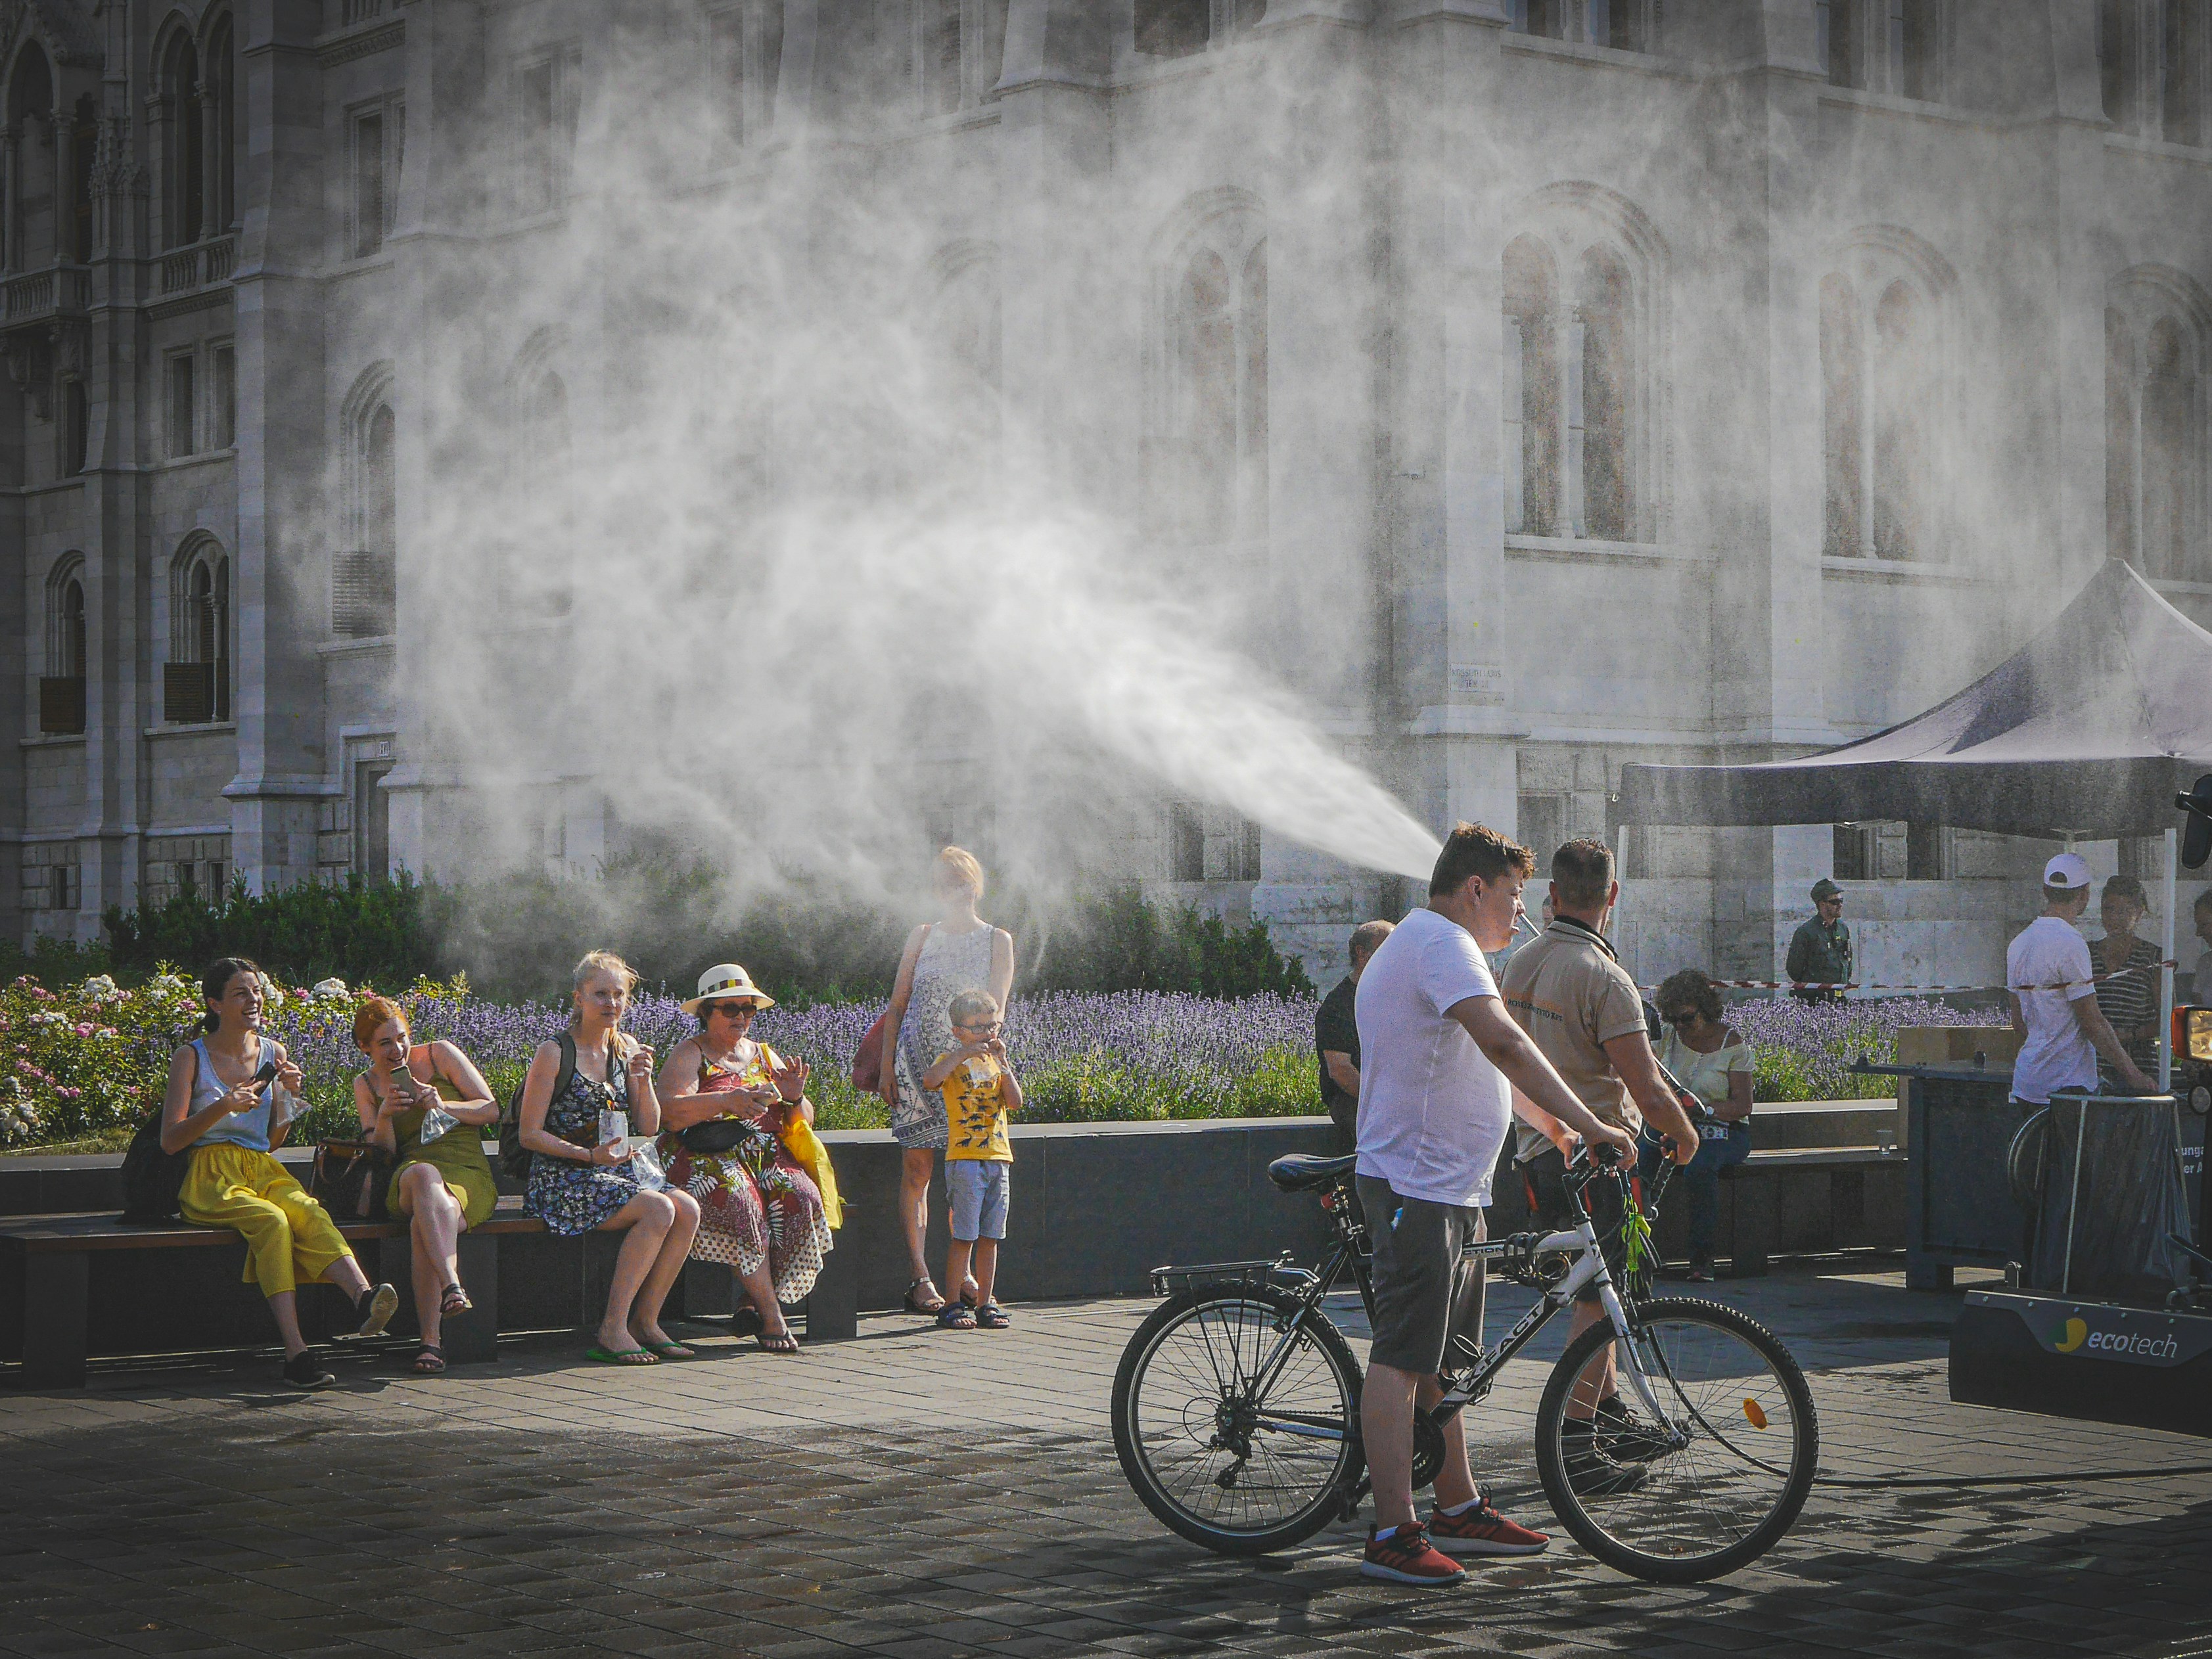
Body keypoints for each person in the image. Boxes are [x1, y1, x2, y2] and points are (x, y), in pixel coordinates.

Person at [1351, 823, 1640, 1587]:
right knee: (1402, 1356)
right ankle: (1392, 1529)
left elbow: (1484, 1063)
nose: (1522, 913)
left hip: (1447, 1183)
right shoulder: (1443, 942)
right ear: (1476, 888)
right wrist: (1592, 1121)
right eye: (1514, 896)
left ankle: (1457, 1507)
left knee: (1444, 1362)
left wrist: (1550, 1124)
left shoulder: (1432, 942)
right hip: (1418, 1182)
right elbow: (1505, 1042)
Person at [1500, 838, 1700, 1495]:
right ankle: (1578, 1444)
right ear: (1612, 895)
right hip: (1596, 1162)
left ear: (1553, 893)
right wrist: (1685, 1133)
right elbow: (1645, 1087)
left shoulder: (1519, 963)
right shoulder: (1605, 977)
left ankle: (1607, 1413)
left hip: (1537, 1150)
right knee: (1597, 1300)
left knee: (1596, 1291)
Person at [162, 957, 398, 1390]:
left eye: (256, 990)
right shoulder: (190, 1056)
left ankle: (364, 1299)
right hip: (209, 1173)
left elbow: (272, 1140)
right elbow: (171, 1140)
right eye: (241, 993)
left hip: (260, 1165)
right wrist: (222, 1105)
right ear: (215, 1003)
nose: (254, 999)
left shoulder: (273, 1052)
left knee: (306, 1210)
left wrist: (289, 1095)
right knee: (271, 1221)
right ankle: (296, 1353)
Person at [518, 951, 703, 1364]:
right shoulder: (554, 1052)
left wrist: (643, 1079)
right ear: (579, 998)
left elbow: (651, 1125)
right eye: (600, 994)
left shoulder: (626, 1049)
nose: (611, 1004)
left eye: (618, 995)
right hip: (562, 1176)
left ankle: (648, 1322)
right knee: (658, 1209)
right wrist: (587, 1155)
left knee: (687, 1208)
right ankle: (612, 1327)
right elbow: (529, 1135)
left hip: (614, 1171)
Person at [656, 964, 833, 1355]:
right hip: (706, 1155)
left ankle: (753, 1299)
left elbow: (802, 1120)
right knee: (741, 1202)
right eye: (730, 1008)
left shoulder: (765, 1053)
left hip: (764, 1152)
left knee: (800, 1196)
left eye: (748, 1009)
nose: (741, 1017)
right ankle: (771, 1316)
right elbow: (667, 1114)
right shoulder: (691, 1052)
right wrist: (724, 1101)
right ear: (706, 1011)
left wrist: (795, 1097)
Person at [877, 846, 1015, 1316]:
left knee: (966, 1175)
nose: (956, 891)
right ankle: (921, 1277)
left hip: (970, 1078)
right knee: (917, 1172)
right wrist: (885, 1066)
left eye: (963, 881)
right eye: (946, 883)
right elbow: (897, 1005)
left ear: (976, 886)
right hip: (916, 1069)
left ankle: (968, 1278)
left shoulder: (998, 939)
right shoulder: (922, 935)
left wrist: (984, 1057)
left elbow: (995, 1013)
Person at [352, 995, 501, 1375]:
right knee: (422, 1176)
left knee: (426, 1221)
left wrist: (443, 1106)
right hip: (410, 1172)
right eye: (384, 1043)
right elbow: (381, 1152)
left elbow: (490, 1109)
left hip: (466, 1172)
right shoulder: (366, 1084)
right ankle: (452, 1283)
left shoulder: (440, 1055)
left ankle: (431, 1343)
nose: (397, 1049)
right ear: (365, 1047)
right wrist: (385, 1116)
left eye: (401, 1038)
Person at [2008, 854, 2154, 1107]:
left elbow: (2018, 1023)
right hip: (2067, 1085)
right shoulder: (2072, 943)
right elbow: (2092, 1022)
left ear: (2045, 890)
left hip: (2027, 1082)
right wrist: (2134, 1076)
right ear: (2085, 894)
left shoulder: (2018, 943)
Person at [922, 989, 1024, 1332]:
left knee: (991, 1235)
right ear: (958, 1031)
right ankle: (951, 1303)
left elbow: (1015, 1102)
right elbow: (931, 1080)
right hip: (965, 1159)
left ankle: (986, 1302)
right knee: (964, 1235)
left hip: (998, 1157)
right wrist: (963, 1053)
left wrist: (1004, 1064)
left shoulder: (996, 1062)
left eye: (991, 1026)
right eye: (977, 1028)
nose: (987, 1034)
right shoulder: (950, 1060)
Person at [1644, 969, 1754, 1283]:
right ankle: (1635, 1252)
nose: (1681, 1026)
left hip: (1724, 1131)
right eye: (1674, 1019)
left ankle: (1701, 1260)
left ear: (1706, 1011)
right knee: (1641, 1161)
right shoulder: (1669, 1040)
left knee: (1699, 1169)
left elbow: (1742, 1106)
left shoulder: (1732, 1044)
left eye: (1688, 1019)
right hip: (1678, 1127)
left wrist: (1704, 1110)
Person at [1316, 920, 1393, 1152]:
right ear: (1362, 954)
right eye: (1389, 949)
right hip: (1353, 1100)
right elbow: (1340, 1070)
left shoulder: (1396, 996)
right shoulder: (1337, 1006)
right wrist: (1383, 1103)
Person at [2090, 875, 2164, 1083]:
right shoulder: (2087, 954)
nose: (2114, 918)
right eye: (2109, 909)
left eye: (2123, 911)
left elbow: (2167, 1019)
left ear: (2138, 913)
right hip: (2096, 1068)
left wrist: (2129, 1035)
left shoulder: (2153, 958)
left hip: (2140, 1067)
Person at [1785, 878, 1852, 1002]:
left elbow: (1847, 959)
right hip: (1813, 998)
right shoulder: (1806, 932)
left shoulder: (1842, 929)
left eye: (1841, 901)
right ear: (1822, 904)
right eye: (1835, 902)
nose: (1840, 905)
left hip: (1838, 996)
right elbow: (1794, 970)